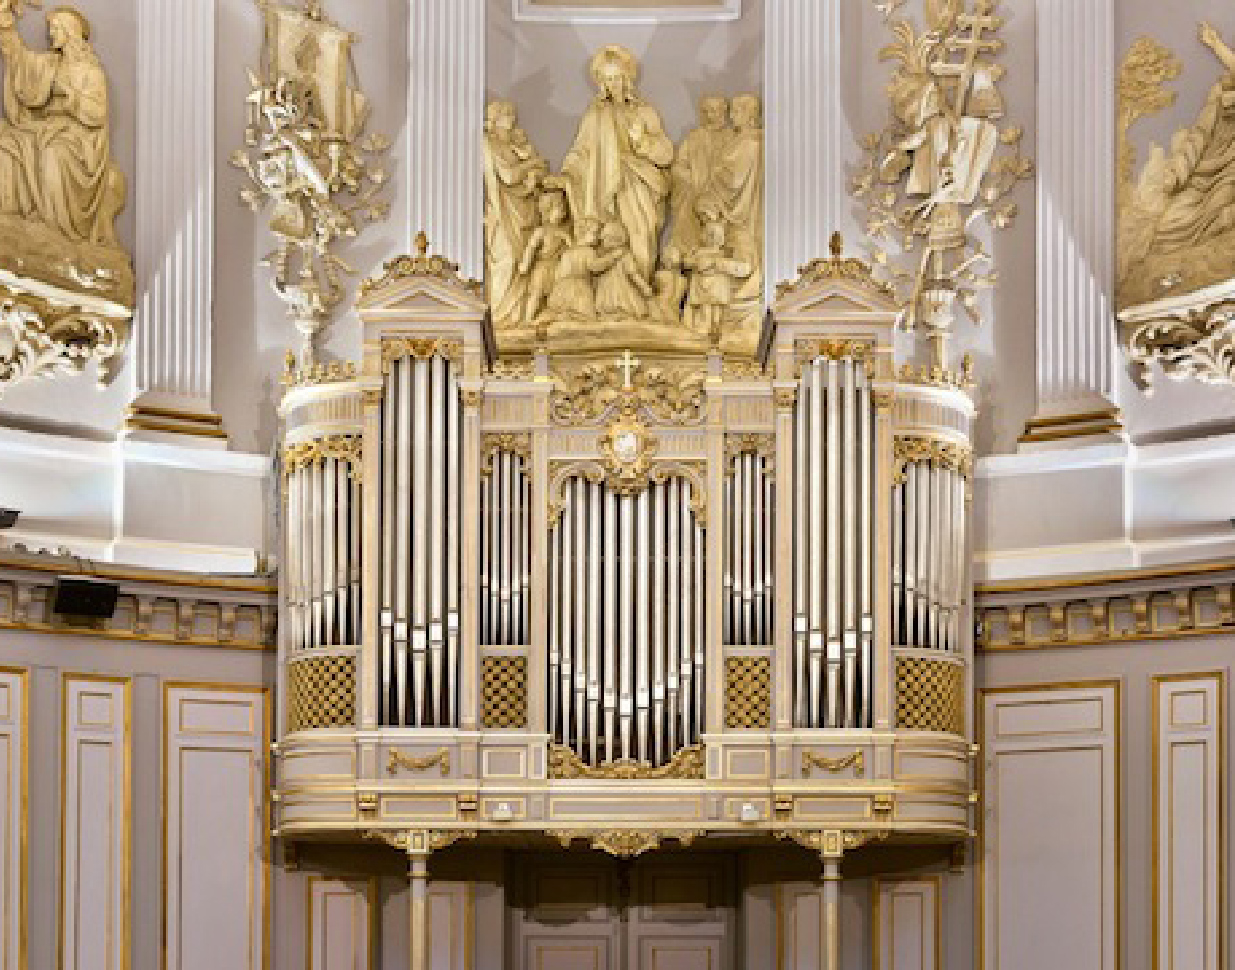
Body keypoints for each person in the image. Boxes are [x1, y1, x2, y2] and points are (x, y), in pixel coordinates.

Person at [0, 3, 125, 246]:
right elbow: (18, 57)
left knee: (53, 152)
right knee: (7, 143)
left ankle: (55, 229)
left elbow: (96, 113)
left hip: (77, 139)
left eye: (56, 28)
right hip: (46, 127)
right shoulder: (49, 64)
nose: (51, 34)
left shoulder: (90, 72)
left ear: (70, 32)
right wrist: (5, 20)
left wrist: (69, 96)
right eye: (51, 28)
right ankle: (14, 216)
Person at [559, 45, 674, 284]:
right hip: (604, 185)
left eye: (618, 78)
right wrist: (568, 173)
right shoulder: (595, 115)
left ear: (627, 78)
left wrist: (643, 141)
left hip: (637, 183)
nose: (614, 84)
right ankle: (612, 295)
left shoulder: (644, 112)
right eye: (608, 79)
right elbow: (581, 151)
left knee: (641, 234)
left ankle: (641, 290)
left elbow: (666, 154)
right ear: (602, 83)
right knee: (606, 240)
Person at [483, 100, 548, 324]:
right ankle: (500, 315)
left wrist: (534, 173)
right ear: (496, 120)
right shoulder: (490, 145)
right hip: (503, 211)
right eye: (507, 114)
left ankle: (517, 317)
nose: (511, 118)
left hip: (524, 208)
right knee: (507, 258)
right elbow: (509, 177)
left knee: (524, 261)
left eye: (511, 114)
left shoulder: (516, 144)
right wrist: (532, 164)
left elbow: (537, 171)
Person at [669, 95, 730, 254]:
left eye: (715, 110)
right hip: (694, 190)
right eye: (707, 111)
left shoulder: (731, 137)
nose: (710, 115)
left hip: (721, 192)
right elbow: (678, 165)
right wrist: (690, 179)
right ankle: (686, 250)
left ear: (723, 111)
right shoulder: (694, 137)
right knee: (686, 210)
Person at [546, 218, 622, 320]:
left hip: (561, 288)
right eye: (595, 233)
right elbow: (595, 267)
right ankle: (573, 315)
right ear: (583, 233)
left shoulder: (567, 253)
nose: (598, 237)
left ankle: (566, 314)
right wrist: (612, 257)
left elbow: (558, 274)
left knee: (568, 310)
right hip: (579, 288)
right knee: (588, 316)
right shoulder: (588, 251)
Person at [517, 190, 571, 323]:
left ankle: (547, 318)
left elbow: (571, 249)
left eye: (564, 207)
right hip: (542, 267)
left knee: (555, 294)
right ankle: (527, 320)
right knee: (536, 294)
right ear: (548, 210)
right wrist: (525, 264)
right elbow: (531, 248)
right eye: (560, 207)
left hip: (557, 268)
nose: (564, 211)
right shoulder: (541, 231)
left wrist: (568, 240)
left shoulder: (563, 232)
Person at [595, 221, 652, 318]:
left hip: (621, 286)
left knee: (622, 302)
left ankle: (621, 313)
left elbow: (634, 273)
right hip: (606, 287)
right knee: (608, 303)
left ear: (615, 239)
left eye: (605, 238)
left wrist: (644, 286)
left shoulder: (626, 255)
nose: (602, 241)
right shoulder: (605, 255)